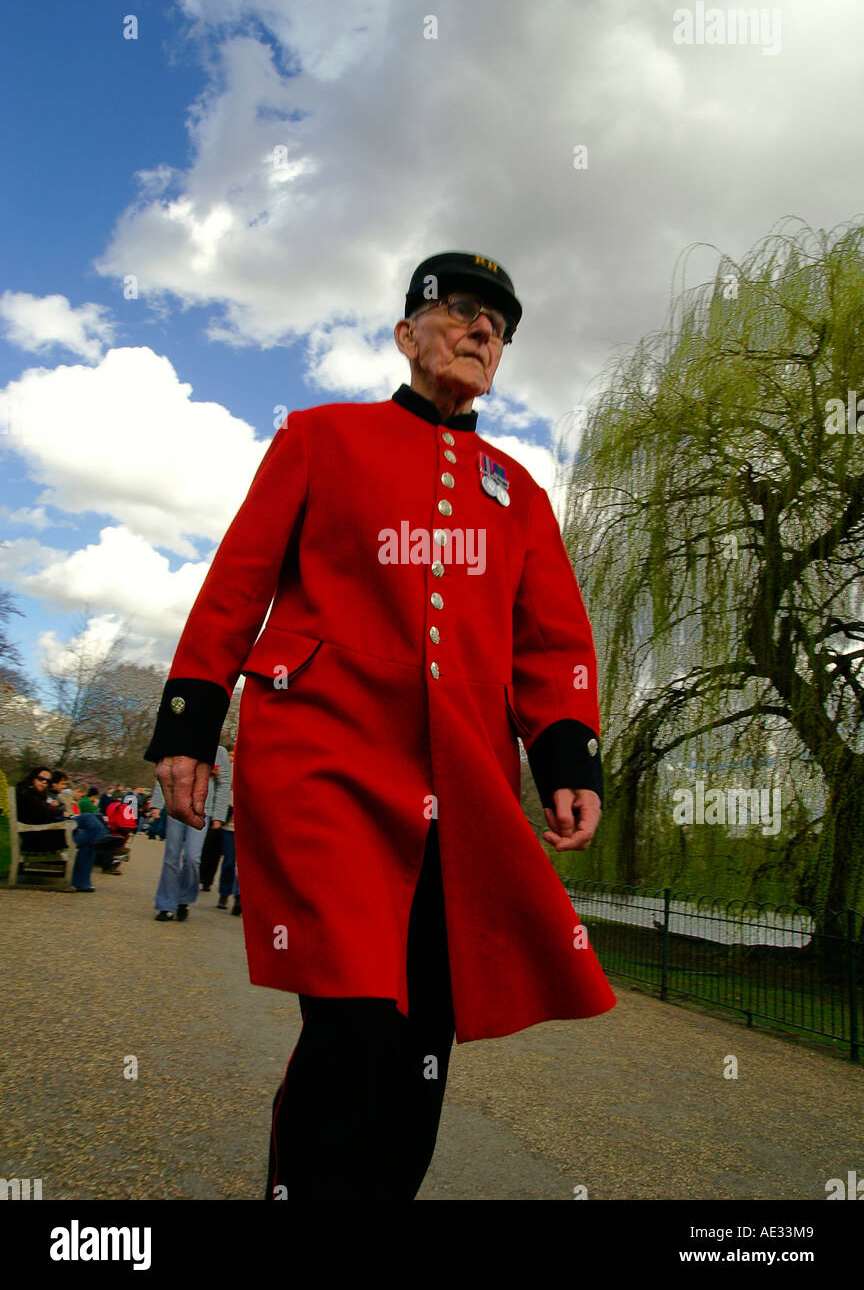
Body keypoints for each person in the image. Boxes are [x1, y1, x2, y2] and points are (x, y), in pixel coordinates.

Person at [145, 251, 616, 1201]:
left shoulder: (519, 492)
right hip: (326, 759)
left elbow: (551, 637)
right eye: (465, 313)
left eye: (501, 327)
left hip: (465, 785)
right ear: (408, 334)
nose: (485, 332)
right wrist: (191, 722)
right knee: (356, 1022)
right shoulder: (320, 438)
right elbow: (237, 582)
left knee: (422, 1041)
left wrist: (568, 752)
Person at [150, 744, 229, 920]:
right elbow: (163, 773)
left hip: (202, 810)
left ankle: (184, 899)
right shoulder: (179, 745)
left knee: (192, 858)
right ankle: (166, 904)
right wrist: (156, 803)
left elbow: (224, 785)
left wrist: (218, 815)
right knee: (171, 856)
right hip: (177, 806)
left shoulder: (219, 752)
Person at [15, 767, 119, 892]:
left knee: (90, 818)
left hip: (50, 831)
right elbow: (43, 812)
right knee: (90, 836)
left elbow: (45, 812)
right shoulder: (27, 793)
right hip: (41, 838)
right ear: (32, 778)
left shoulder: (36, 794)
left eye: (46, 781)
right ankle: (84, 878)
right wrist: (55, 809)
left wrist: (53, 809)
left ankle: (101, 843)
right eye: (41, 779)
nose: (44, 782)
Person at [215, 741, 240, 915]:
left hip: (250, 827)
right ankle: (224, 893)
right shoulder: (230, 770)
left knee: (245, 866)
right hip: (230, 824)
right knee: (230, 862)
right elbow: (223, 790)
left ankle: (240, 897)